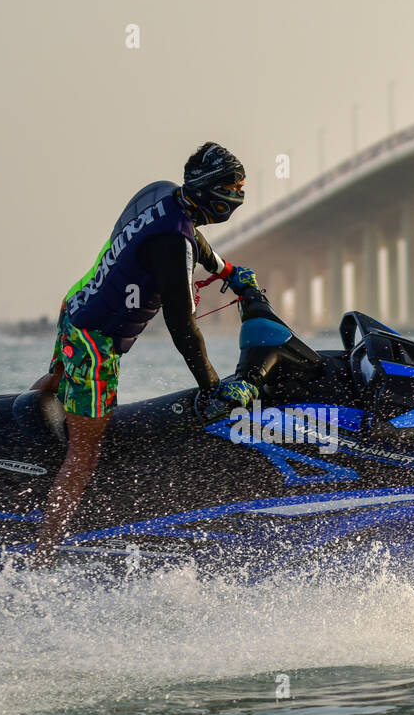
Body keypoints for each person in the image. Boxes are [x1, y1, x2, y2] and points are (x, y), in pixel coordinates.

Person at [29, 142, 262, 567]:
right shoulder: (173, 246)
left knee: (54, 388)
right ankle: (42, 554)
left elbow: (194, 236)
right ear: (213, 191)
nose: (240, 197)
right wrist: (212, 387)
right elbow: (182, 324)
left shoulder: (164, 193)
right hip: (94, 343)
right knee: (85, 453)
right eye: (236, 188)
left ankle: (18, 437)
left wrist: (227, 272)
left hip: (76, 307)